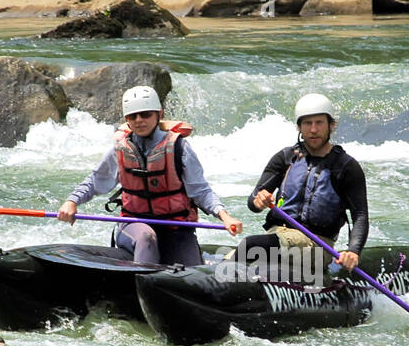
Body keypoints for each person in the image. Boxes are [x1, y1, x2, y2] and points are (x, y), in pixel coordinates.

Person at [57, 85, 241, 266]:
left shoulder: (179, 148)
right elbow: (95, 181)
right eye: (132, 116)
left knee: (191, 269)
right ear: (127, 119)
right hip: (133, 225)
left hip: (176, 227)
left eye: (145, 114)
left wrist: (225, 216)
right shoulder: (120, 149)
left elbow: (201, 191)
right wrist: (71, 202)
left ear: (158, 114)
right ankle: (139, 288)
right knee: (146, 237)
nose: (139, 120)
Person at [242, 92, 368, 272]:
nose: (314, 130)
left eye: (319, 123)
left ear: (331, 125)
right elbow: (253, 203)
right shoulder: (285, 158)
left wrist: (353, 251)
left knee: (250, 245)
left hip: (316, 245)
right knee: (238, 256)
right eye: (307, 123)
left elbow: (360, 215)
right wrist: (258, 200)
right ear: (299, 127)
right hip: (276, 236)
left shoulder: (346, 167)